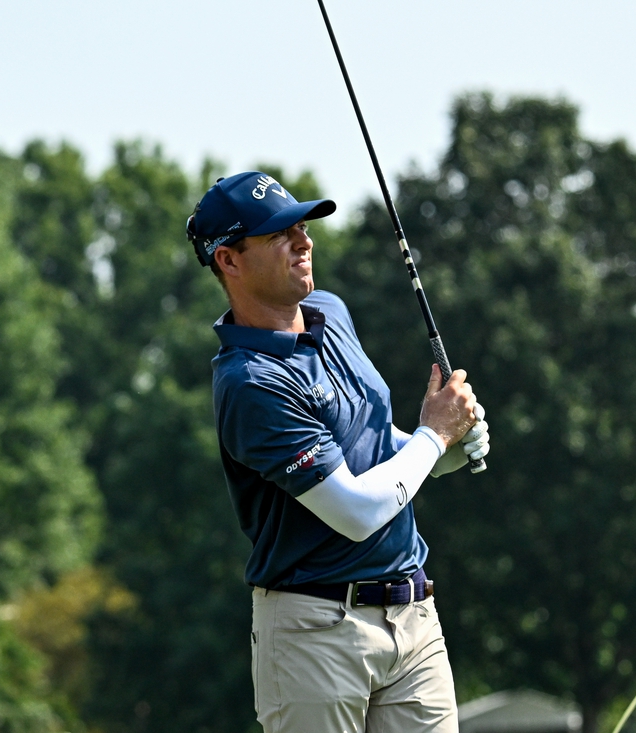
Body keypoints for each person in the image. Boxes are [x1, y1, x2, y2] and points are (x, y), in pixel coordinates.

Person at [185, 171, 491, 733]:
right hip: (313, 633)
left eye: (302, 226)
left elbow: (378, 454)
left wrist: (446, 446)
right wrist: (433, 437)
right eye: (279, 234)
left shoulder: (332, 312)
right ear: (228, 260)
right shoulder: (250, 383)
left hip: (413, 616)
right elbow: (355, 512)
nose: (304, 242)